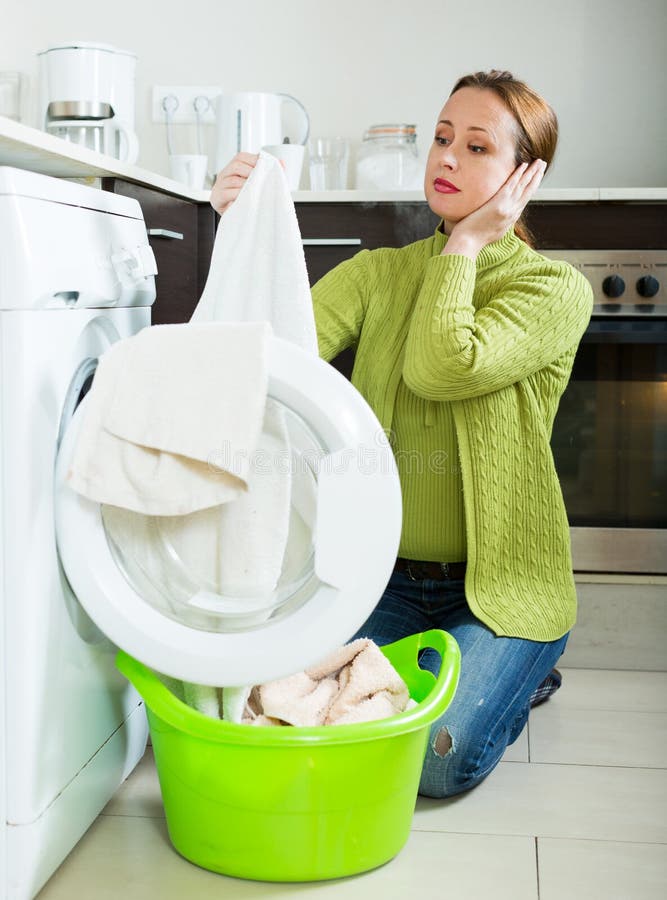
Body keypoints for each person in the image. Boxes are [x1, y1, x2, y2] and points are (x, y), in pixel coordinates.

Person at [210, 70, 593, 799]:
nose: (446, 158)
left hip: (496, 593)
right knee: (265, 706)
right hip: (374, 580)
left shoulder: (550, 289)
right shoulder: (377, 274)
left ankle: (515, 672)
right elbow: (271, 354)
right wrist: (241, 229)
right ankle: (467, 673)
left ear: (523, 175)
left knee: (435, 760)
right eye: (442, 138)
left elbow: (442, 367)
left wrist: (465, 247)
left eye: (476, 146)